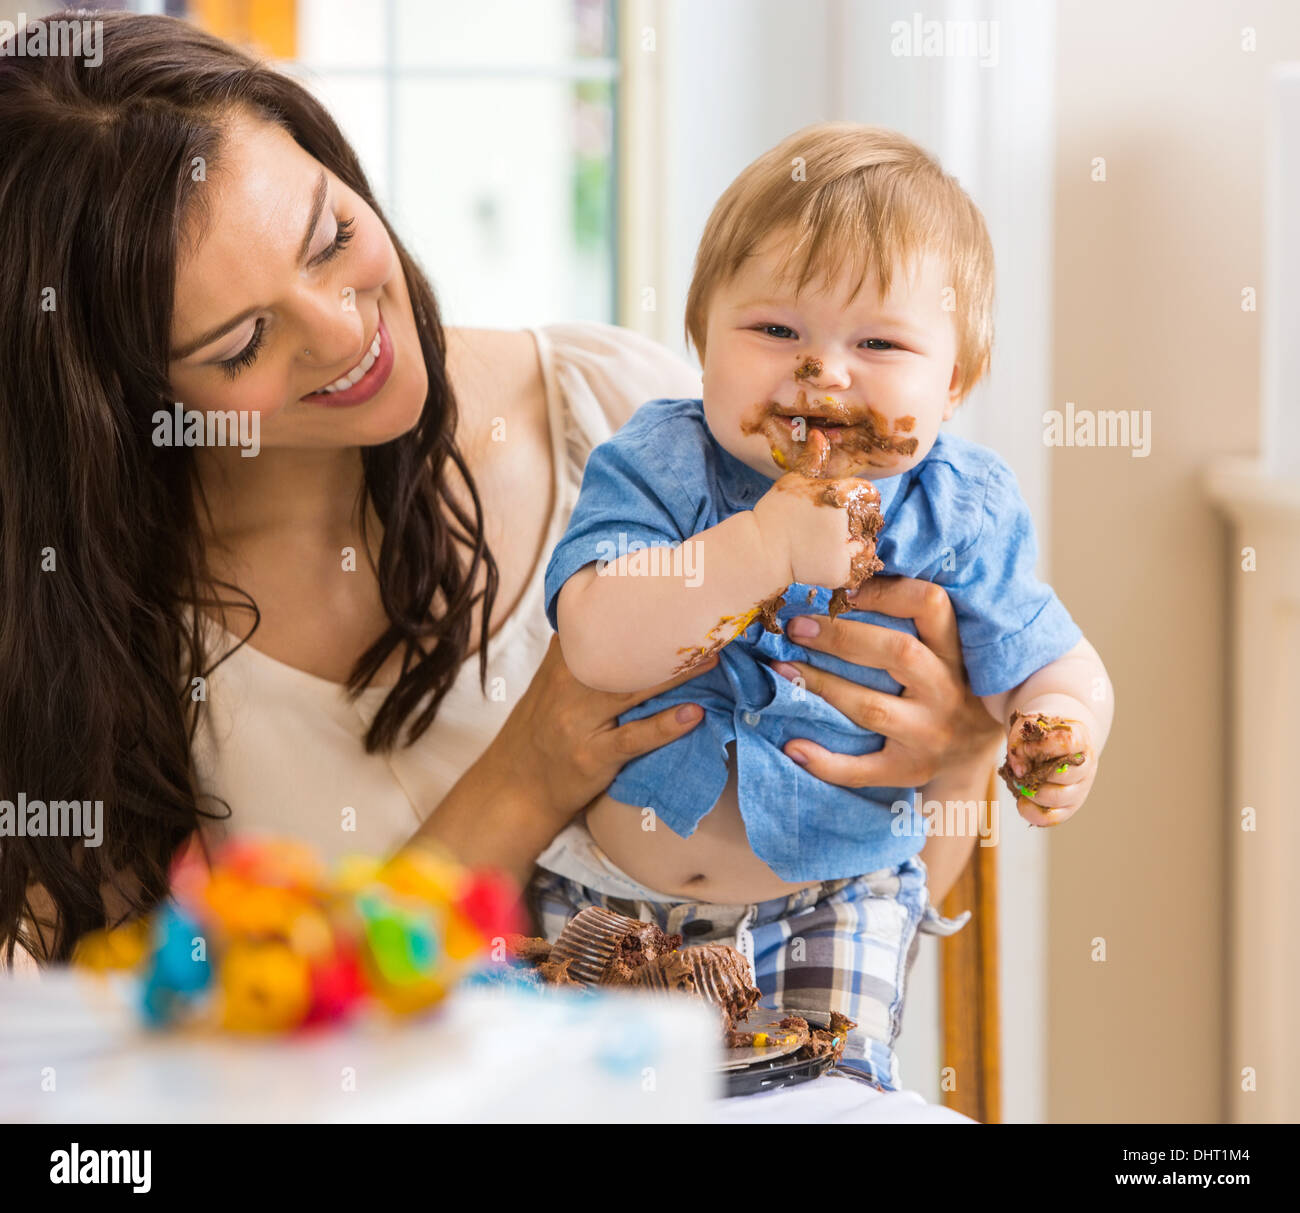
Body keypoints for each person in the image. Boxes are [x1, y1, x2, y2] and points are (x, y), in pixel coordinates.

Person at [0, 10, 1002, 1105]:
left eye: (332, 236)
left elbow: (861, 925)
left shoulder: (619, 420)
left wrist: (955, 755)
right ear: (117, 396)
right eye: (241, 342)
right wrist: (528, 771)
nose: (341, 331)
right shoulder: (92, 643)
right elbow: (167, 1087)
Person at [539, 123, 1114, 1090]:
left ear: (954, 382)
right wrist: (757, 549)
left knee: (826, 1104)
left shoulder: (958, 508)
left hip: (829, 904)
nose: (823, 372)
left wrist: (1064, 724)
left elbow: (1051, 655)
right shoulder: (662, 461)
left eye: (880, 342)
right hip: (607, 896)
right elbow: (595, 637)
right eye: (775, 331)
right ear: (702, 338)